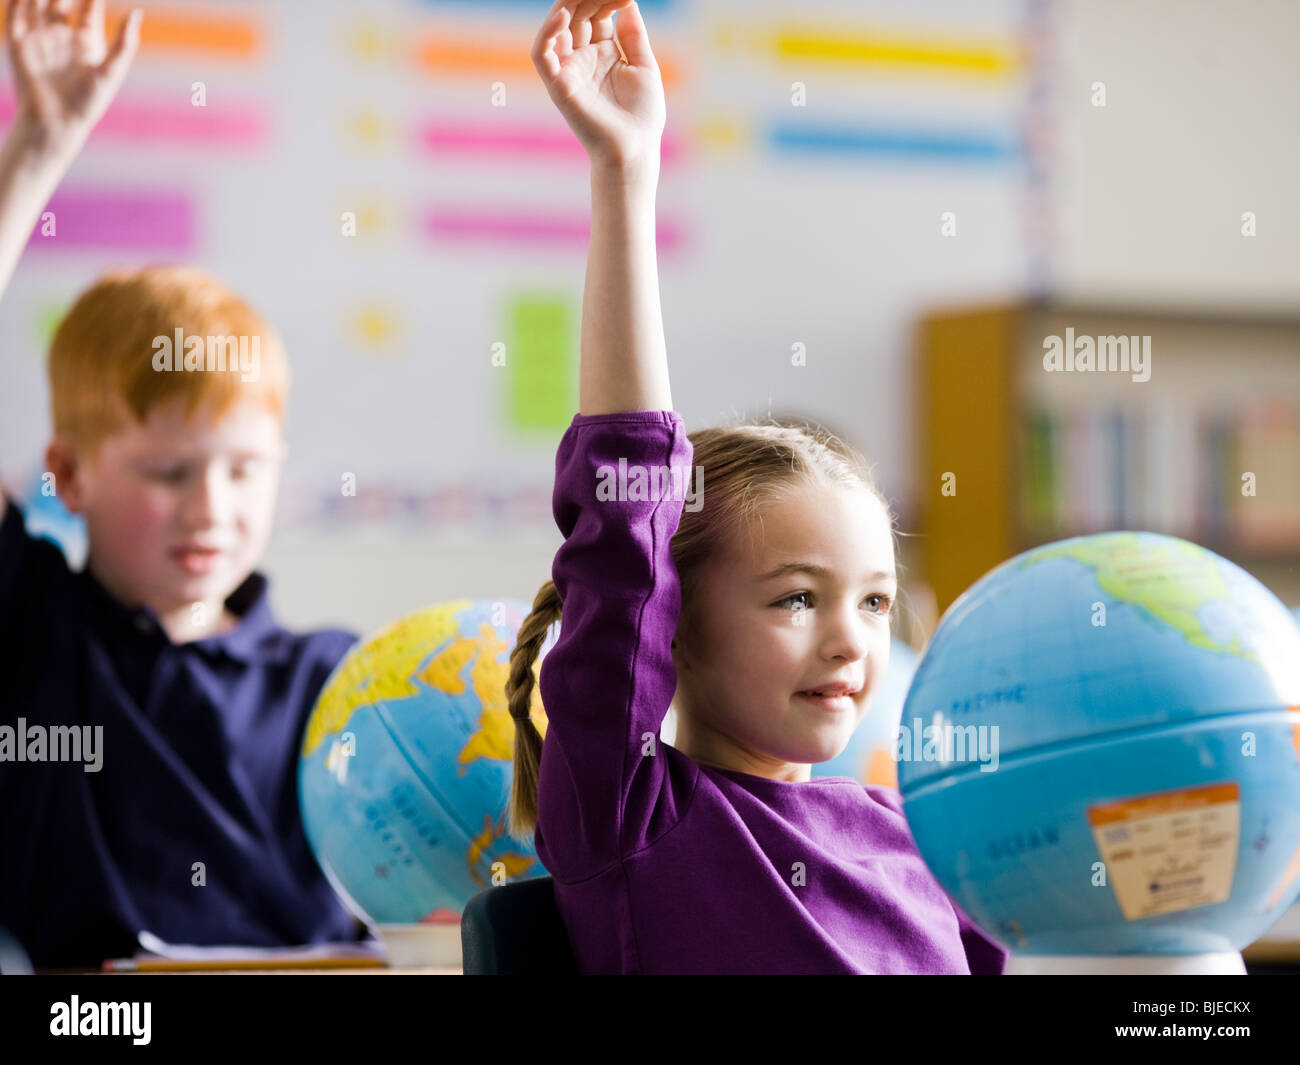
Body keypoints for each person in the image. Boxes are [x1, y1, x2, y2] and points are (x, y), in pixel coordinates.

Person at [506, 0, 1008, 974]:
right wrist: (623, 175)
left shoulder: (926, 839)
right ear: (673, 621)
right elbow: (622, 516)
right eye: (796, 597)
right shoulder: (634, 820)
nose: (849, 638)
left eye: (871, 600)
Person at [0, 0, 367, 966]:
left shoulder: (338, 680)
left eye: (245, 470)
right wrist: (34, 152)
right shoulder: (39, 628)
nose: (211, 508)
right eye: (167, 471)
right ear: (68, 475)